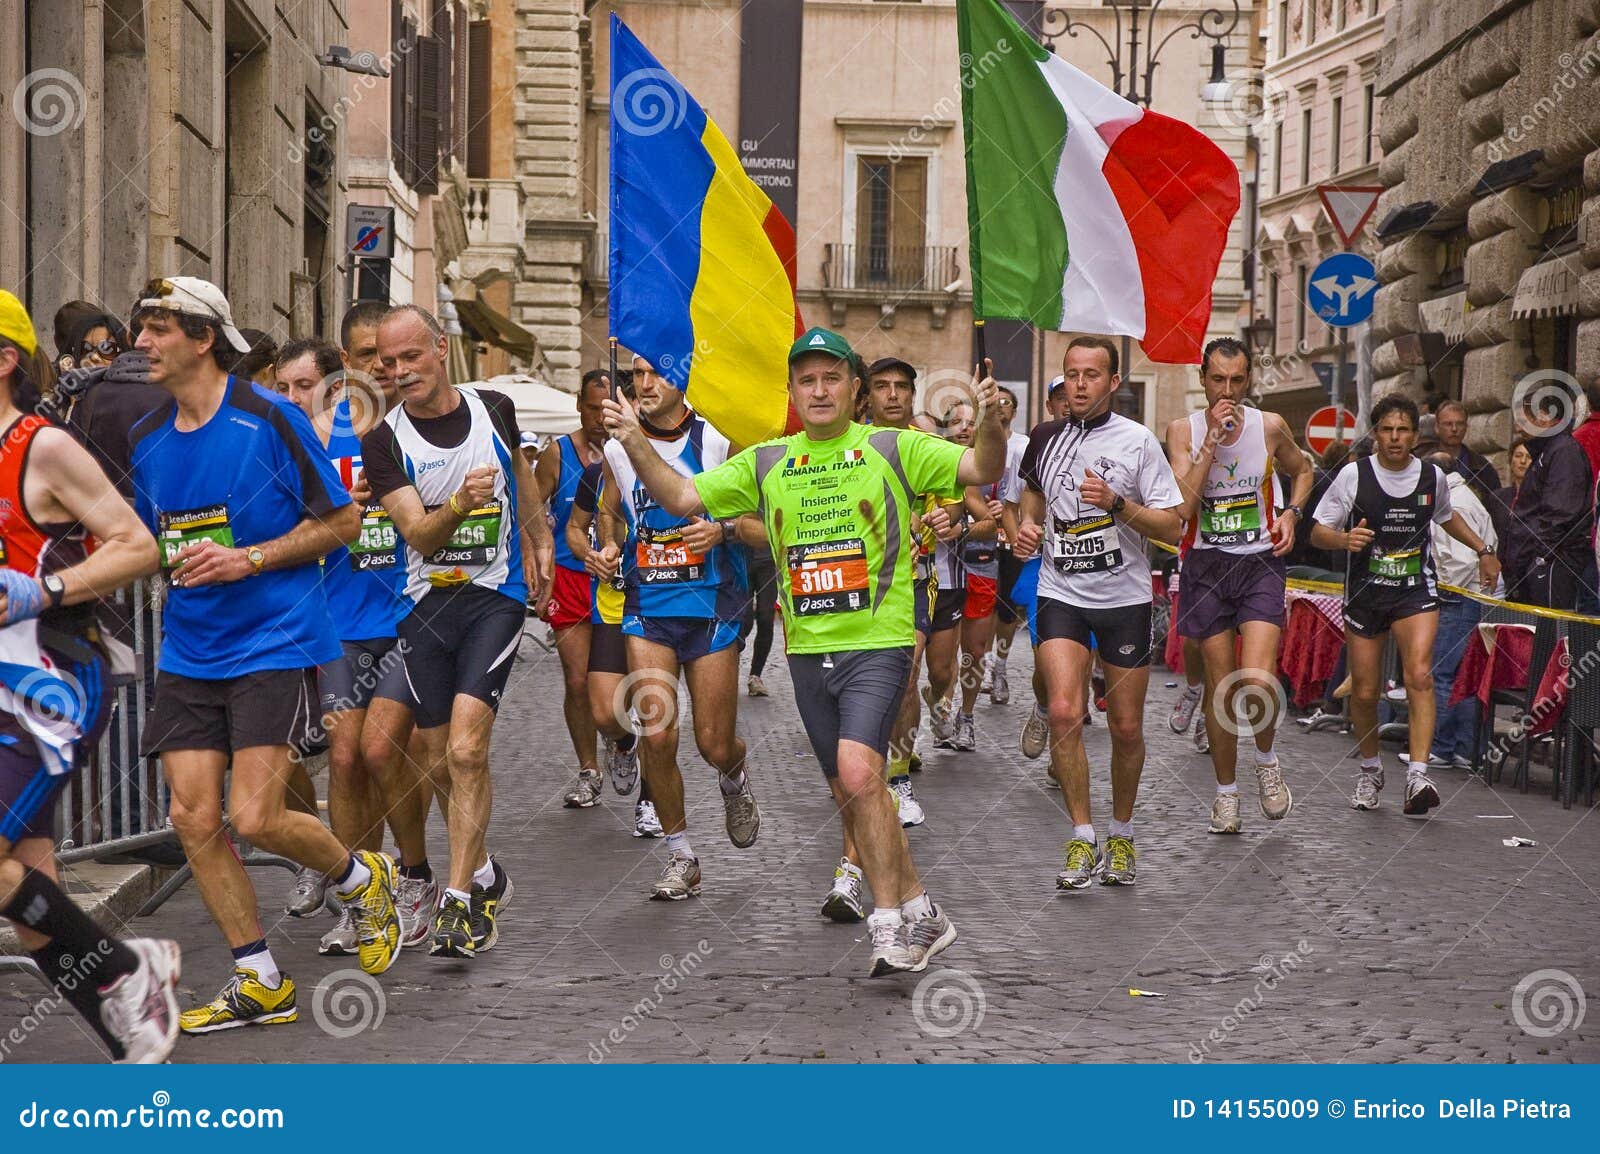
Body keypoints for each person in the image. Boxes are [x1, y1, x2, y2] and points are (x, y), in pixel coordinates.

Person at [606, 327, 1005, 975]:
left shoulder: (893, 448)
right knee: (857, 789)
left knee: (857, 772)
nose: (819, 390)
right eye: (806, 380)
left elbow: (981, 470)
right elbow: (682, 497)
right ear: (792, 392)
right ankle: (923, 908)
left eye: (831, 378)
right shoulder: (767, 461)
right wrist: (631, 442)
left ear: (854, 390)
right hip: (807, 651)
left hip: (879, 641)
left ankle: (887, 927)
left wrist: (991, 424)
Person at [128, 277, 401, 1033]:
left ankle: (359, 875)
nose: (142, 343)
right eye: (140, 329)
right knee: (192, 816)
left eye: (157, 329)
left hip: (273, 638)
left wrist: (246, 560)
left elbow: (343, 522)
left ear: (203, 337)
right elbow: (157, 541)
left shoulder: (269, 420)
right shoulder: (146, 438)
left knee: (253, 814)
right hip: (190, 646)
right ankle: (259, 977)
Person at [0, 290, 181, 1063]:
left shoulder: (43, 446)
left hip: (51, 680)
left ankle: (128, 969)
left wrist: (46, 590)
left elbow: (139, 544)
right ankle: (129, 1011)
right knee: (26, 884)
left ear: (5, 359)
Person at [359, 305, 553, 958]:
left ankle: (460, 897)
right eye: (385, 363)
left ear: (441, 350)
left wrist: (539, 537)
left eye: (410, 356)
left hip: (493, 599)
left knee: (468, 751)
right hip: (423, 611)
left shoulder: (493, 407)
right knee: (440, 759)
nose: (398, 371)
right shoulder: (384, 442)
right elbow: (416, 531)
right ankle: (488, 873)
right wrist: (462, 504)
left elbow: (521, 475)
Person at [1012, 336, 1184, 889]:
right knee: (1064, 712)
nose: (1079, 384)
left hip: (1124, 600)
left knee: (1126, 727)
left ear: (1114, 383)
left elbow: (1174, 528)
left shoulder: (1137, 443)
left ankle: (1122, 834)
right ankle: (1083, 838)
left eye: (1091, 374)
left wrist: (1117, 504)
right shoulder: (1045, 440)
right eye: (1071, 374)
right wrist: (1027, 529)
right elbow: (1031, 503)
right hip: (1061, 593)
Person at [593, 354, 760, 901]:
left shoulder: (717, 441)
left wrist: (725, 529)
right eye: (635, 376)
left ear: (683, 377)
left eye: (654, 374)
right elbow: (609, 510)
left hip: (712, 608)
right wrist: (610, 543)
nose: (642, 385)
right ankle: (681, 856)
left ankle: (733, 774)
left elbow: (767, 524)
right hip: (647, 608)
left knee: (713, 743)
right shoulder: (619, 448)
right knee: (656, 734)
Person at [1309, 395, 1499, 814]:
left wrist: (1484, 549)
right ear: (1375, 433)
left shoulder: (1432, 477)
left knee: (1419, 674)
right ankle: (1371, 768)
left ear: (1415, 436)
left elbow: (1447, 516)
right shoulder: (1353, 476)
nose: (1395, 438)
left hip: (1415, 589)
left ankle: (1417, 774)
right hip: (1366, 594)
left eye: (1403, 431)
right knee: (1363, 690)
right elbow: (1317, 531)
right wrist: (1343, 540)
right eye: (1387, 430)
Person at [1164, 338, 1309, 835]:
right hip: (1205, 565)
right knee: (1223, 691)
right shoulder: (1181, 430)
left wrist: (1292, 512)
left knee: (1257, 680)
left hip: (1259, 563)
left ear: (1250, 381)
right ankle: (1226, 795)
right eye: (1218, 380)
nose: (1227, 390)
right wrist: (1209, 442)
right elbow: (1183, 503)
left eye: (1238, 380)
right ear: (1203, 379)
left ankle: (1266, 761)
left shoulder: (1270, 427)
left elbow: (1303, 468)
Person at [538, 370, 630, 807]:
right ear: (579, 405)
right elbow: (530, 514)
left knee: (618, 685)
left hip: (621, 582)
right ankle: (589, 771)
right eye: (591, 407)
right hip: (571, 577)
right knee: (577, 680)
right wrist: (537, 570)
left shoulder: (631, 454)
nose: (598, 417)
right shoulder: (557, 455)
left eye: (606, 407)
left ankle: (621, 740)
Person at [567, 446, 658, 838]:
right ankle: (625, 742)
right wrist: (589, 554)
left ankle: (650, 803)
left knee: (653, 706)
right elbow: (574, 527)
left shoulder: (663, 469)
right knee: (605, 712)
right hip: (611, 602)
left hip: (659, 600)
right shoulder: (594, 474)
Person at [1424, 452, 1498, 771]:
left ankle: (1441, 747)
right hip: (1469, 596)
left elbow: (1461, 560)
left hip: (1459, 596)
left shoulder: (1455, 503)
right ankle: (1466, 749)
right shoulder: (1461, 496)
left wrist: (1442, 589)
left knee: (1442, 673)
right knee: (1461, 674)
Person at [1500, 378, 1594, 609]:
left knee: (1552, 636)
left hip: (1553, 566)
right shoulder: (1546, 452)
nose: (1518, 427)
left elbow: (1559, 512)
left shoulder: (1562, 452)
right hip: (1538, 565)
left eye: (1523, 419)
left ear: (1544, 416)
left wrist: (1539, 560)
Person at [988, 385, 1031, 706]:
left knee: (1006, 610)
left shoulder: (1024, 445)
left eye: (1007, 403)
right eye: (995, 402)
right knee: (981, 607)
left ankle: (999, 666)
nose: (1001, 407)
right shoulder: (977, 442)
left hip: (1011, 538)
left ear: (1014, 411)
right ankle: (983, 662)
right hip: (979, 538)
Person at [1433, 400, 1500, 499]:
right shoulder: (1424, 463)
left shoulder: (1483, 468)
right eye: (1448, 424)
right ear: (1437, 428)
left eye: (1460, 423)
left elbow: (1495, 507)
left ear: (1466, 427)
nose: (1454, 429)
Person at [1487, 438, 1532, 555]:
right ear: (1511, 460)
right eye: (1518, 455)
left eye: (1529, 457)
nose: (1523, 461)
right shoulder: (1497, 497)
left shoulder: (1540, 498)